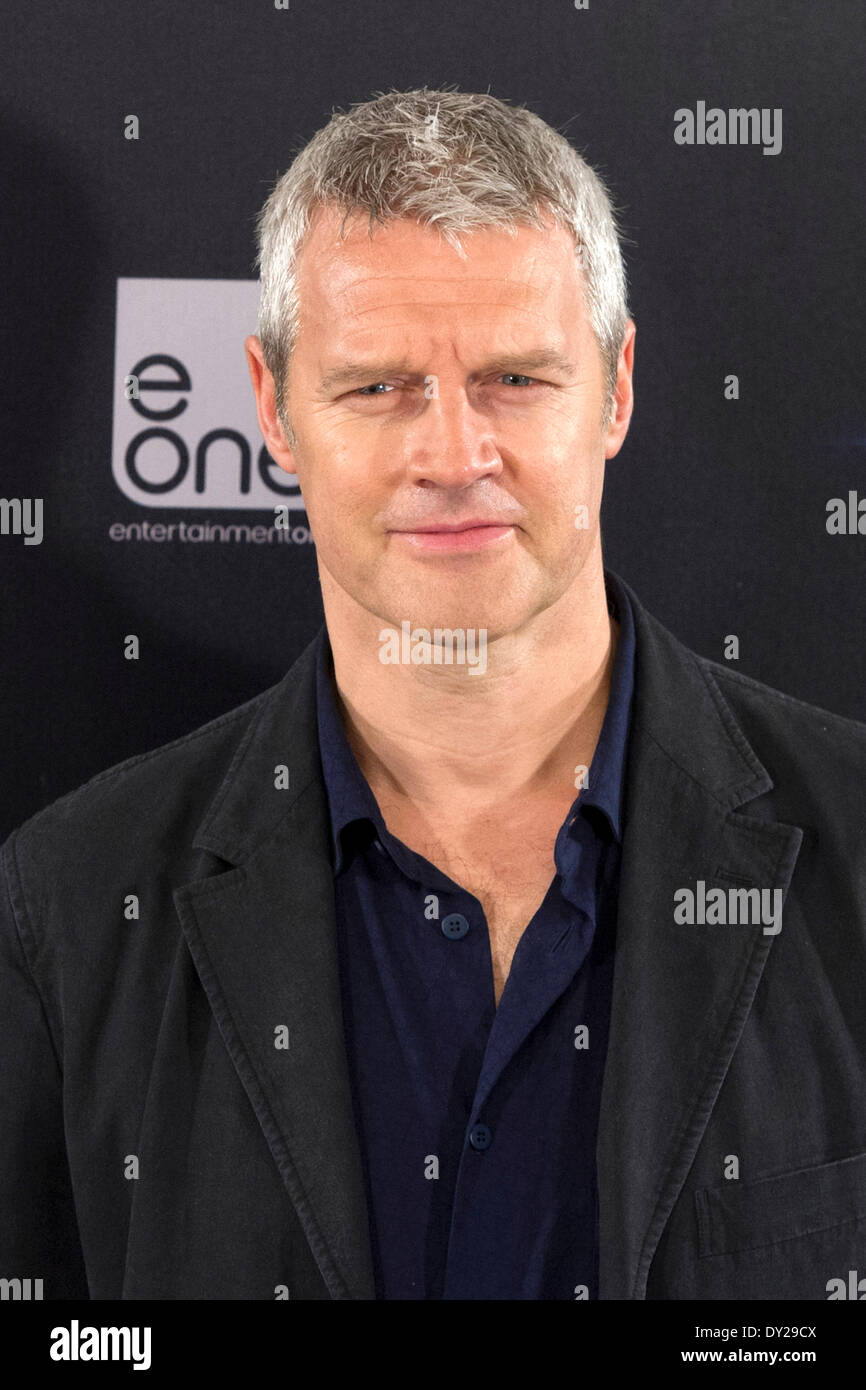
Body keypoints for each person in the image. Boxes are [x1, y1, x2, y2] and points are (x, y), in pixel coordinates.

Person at [2, 87, 866, 1302]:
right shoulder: (76, 905)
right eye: (376, 387)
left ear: (614, 390)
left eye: (514, 378)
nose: (454, 457)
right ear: (271, 407)